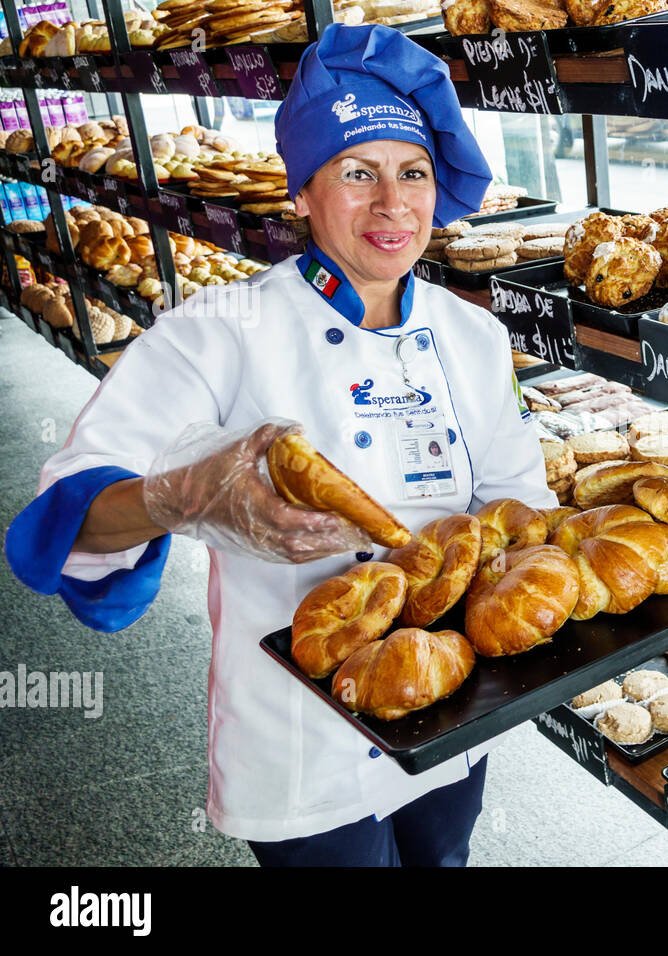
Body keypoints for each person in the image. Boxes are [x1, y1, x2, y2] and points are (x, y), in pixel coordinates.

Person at [3, 24, 554, 866]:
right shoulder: (221, 330)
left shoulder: (472, 334)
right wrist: (178, 498)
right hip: (302, 744)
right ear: (300, 192)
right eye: (357, 173)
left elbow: (521, 504)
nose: (393, 205)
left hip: (451, 697)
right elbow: (62, 519)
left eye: (412, 174)